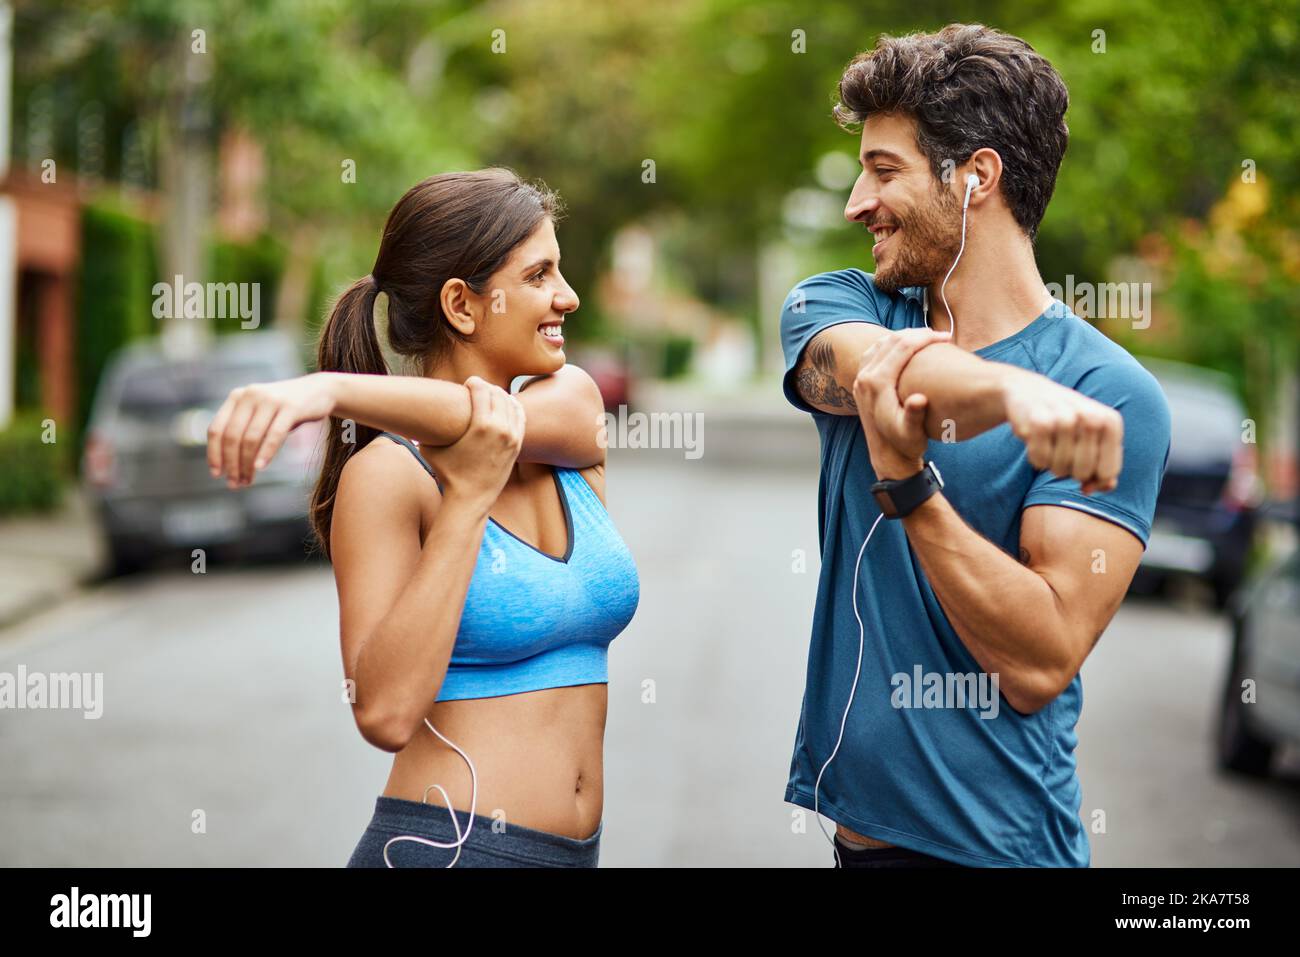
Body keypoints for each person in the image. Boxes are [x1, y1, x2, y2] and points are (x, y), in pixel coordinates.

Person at [779, 24, 1172, 867]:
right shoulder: (844, 306)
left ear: (976, 178)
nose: (857, 202)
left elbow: (1038, 661)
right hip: (858, 847)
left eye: (885, 170)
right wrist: (1013, 393)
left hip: (998, 852)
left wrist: (911, 489)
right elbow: (887, 376)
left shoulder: (1111, 393)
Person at [205, 168, 640, 867]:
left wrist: (330, 390)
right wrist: (465, 503)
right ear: (463, 306)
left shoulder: (569, 414)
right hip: (447, 849)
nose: (569, 295)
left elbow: (484, 421)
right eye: (540, 275)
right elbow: (383, 713)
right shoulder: (387, 476)